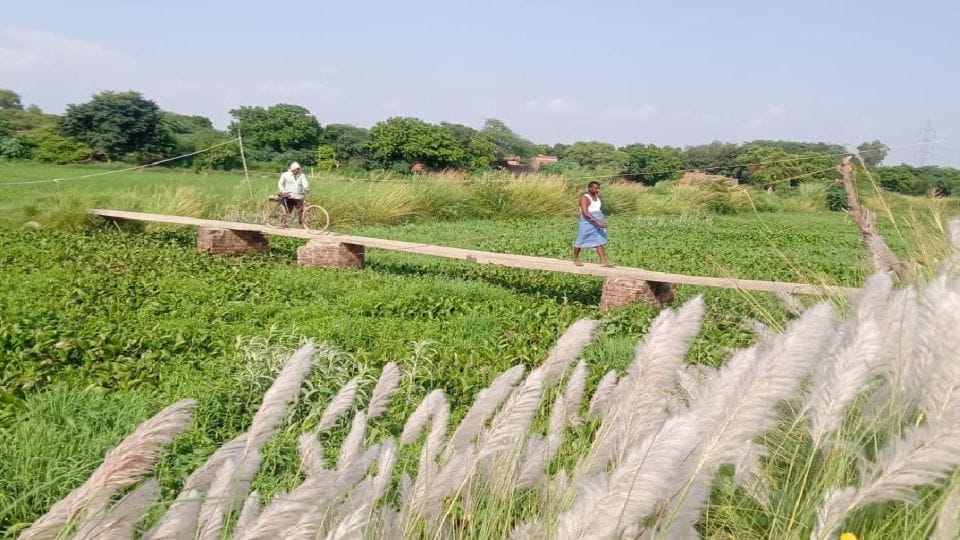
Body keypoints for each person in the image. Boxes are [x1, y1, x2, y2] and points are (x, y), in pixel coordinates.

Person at [573, 181, 612, 267]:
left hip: (597, 220)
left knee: (599, 240)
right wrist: (597, 222)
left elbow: (597, 211)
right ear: (589, 188)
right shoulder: (584, 198)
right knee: (581, 239)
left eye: (599, 188)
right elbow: (585, 212)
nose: (598, 190)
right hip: (587, 222)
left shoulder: (597, 198)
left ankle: (603, 261)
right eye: (596, 188)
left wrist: (601, 221)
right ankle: (576, 259)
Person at [277, 162, 310, 228]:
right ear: (292, 169)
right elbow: (280, 183)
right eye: (296, 170)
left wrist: (306, 187)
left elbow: (305, 182)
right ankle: (284, 223)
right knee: (288, 210)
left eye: (298, 170)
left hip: (299, 196)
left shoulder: (302, 175)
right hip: (288, 195)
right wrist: (283, 191)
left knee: (300, 210)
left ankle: (301, 224)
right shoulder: (285, 175)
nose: (297, 171)